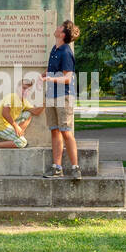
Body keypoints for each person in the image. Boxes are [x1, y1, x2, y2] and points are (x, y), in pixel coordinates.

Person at [42, 20, 80, 179]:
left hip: (63, 96)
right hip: (51, 95)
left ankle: (75, 168)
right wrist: (46, 74)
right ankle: (57, 168)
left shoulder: (66, 52)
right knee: (55, 131)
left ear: (63, 34)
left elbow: (67, 78)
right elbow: (53, 70)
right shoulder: (55, 49)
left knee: (66, 132)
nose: (56, 28)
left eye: (59, 27)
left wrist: (49, 79)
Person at [0, 76, 45, 149]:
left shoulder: (24, 101)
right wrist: (16, 126)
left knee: (28, 114)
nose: (26, 91)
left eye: (29, 90)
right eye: (24, 88)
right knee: (23, 142)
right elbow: (4, 113)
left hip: (8, 125)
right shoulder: (11, 97)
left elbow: (36, 112)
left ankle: (19, 136)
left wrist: (45, 103)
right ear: (18, 88)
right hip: (0, 127)